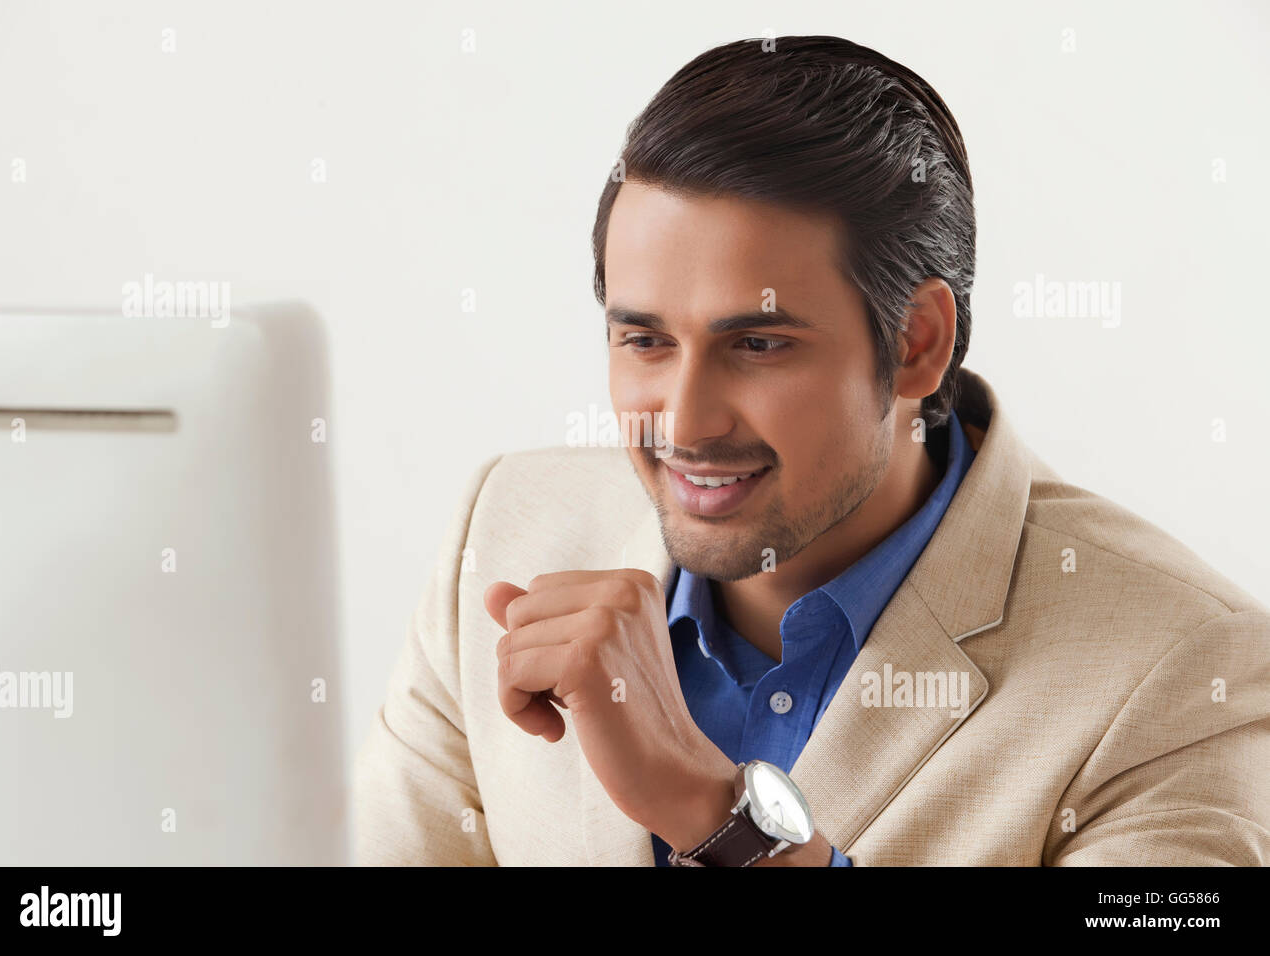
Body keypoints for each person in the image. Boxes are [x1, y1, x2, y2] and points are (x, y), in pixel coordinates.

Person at [355, 35, 1270, 866]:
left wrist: (715, 812)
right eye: (644, 340)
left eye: (757, 345)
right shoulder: (506, 533)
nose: (685, 422)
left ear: (916, 343)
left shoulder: (1188, 669)